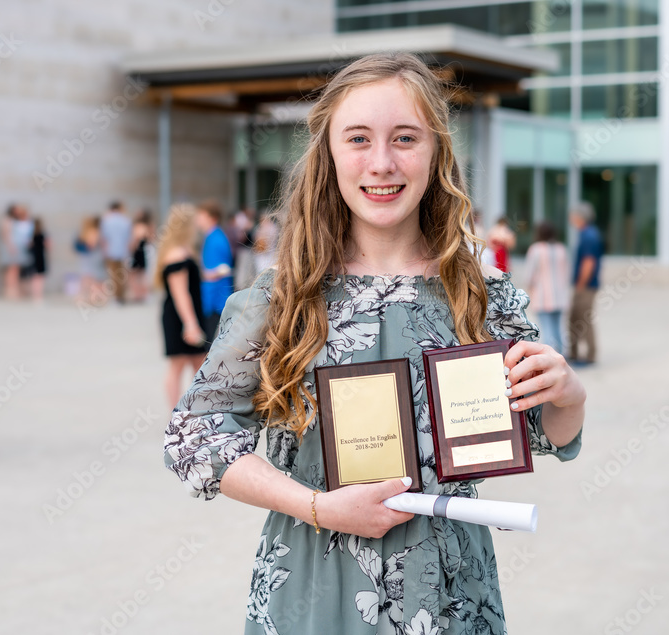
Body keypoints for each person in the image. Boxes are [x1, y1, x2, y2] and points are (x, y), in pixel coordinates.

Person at [163, 53, 586, 635]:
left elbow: (543, 432)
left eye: (405, 138)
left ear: (436, 152)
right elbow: (194, 437)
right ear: (329, 153)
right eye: (358, 138)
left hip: (451, 594)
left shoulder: (482, 293)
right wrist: (315, 505)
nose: (382, 162)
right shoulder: (280, 298)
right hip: (316, 586)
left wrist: (569, 396)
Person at [155, 204, 208, 409]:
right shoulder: (176, 254)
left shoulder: (183, 251)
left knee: (198, 363)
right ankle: (176, 414)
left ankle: (194, 411)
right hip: (180, 317)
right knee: (178, 366)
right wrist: (191, 324)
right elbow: (180, 293)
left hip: (187, 314)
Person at [567, 201, 604, 366]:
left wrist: (580, 285)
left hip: (586, 287)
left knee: (583, 319)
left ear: (579, 217)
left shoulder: (588, 235)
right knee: (575, 318)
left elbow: (588, 263)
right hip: (586, 286)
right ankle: (574, 353)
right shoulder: (587, 233)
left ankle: (589, 355)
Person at [525, 222, 569, 354]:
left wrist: (529, 289)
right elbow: (568, 272)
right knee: (557, 328)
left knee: (547, 328)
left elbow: (529, 275)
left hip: (542, 295)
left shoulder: (535, 249)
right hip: (559, 295)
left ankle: (550, 356)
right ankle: (561, 354)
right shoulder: (561, 249)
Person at [195, 201, 234, 343]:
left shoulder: (216, 239)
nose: (197, 218)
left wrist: (202, 274)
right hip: (213, 298)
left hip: (215, 300)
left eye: (201, 215)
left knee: (212, 342)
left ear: (212, 218)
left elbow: (222, 270)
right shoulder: (211, 237)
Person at [100, 201, 133, 304]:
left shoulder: (106, 220)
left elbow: (104, 238)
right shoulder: (126, 220)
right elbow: (129, 238)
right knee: (122, 275)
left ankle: (116, 297)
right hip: (123, 252)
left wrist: (104, 252)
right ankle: (122, 296)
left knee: (113, 275)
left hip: (111, 252)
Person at [75, 216, 105, 304]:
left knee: (86, 278)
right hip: (94, 257)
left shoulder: (84, 232)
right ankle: (94, 299)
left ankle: (83, 298)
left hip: (86, 257)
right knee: (95, 279)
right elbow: (91, 245)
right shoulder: (94, 231)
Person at [129, 209, 154, 302]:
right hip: (142, 253)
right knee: (141, 275)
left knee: (135, 275)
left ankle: (139, 294)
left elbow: (135, 242)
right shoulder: (147, 227)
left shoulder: (139, 227)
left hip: (138, 253)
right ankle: (142, 294)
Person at [0, 204, 21, 299]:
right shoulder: (7, 220)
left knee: (15, 270)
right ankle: (9, 291)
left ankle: (14, 290)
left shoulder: (15, 221)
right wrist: (11, 247)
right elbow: (6, 235)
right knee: (11, 270)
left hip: (15, 247)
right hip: (10, 248)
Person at [28, 217, 49, 303]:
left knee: (34, 278)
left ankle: (35, 296)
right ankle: (39, 296)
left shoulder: (31, 235)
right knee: (40, 278)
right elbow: (48, 246)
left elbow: (29, 246)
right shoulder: (42, 235)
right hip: (40, 257)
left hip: (33, 258)